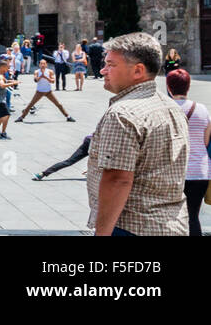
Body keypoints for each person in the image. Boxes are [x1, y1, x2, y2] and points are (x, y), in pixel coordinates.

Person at [88, 32, 189, 236]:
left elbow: (117, 178)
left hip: (132, 225)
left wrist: (102, 233)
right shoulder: (171, 107)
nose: (102, 70)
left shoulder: (122, 114)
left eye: (111, 65)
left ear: (138, 70)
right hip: (171, 225)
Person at [164, 68, 209, 237]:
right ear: (188, 87)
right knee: (193, 217)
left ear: (169, 87)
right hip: (200, 171)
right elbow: (205, 141)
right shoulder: (202, 109)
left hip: (174, 171)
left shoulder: (165, 109)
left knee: (172, 217)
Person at [15, 58, 76, 124]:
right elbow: (35, 80)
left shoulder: (50, 71)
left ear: (46, 64)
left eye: (44, 64)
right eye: (41, 64)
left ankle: (68, 116)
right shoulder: (37, 72)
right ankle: (21, 117)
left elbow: (53, 81)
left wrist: (46, 77)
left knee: (58, 104)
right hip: (39, 91)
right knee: (30, 104)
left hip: (48, 92)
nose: (43, 65)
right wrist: (41, 77)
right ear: (39, 65)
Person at [0, 57, 17, 139]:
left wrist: (11, 81)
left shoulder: (1, 75)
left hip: (0, 99)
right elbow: (2, 85)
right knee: (7, 115)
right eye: (7, 67)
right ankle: (3, 132)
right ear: (2, 67)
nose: (8, 69)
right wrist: (12, 83)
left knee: (1, 116)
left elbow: (5, 81)